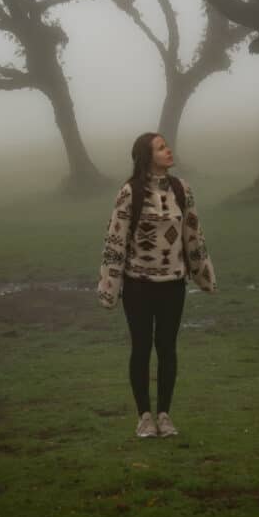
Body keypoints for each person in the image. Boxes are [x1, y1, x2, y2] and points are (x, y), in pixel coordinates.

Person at [98, 132, 216, 438]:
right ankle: (144, 417)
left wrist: (203, 275)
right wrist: (109, 287)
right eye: (161, 148)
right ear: (147, 156)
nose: (168, 151)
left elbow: (194, 234)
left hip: (173, 285)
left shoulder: (181, 189)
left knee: (167, 348)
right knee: (141, 348)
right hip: (138, 286)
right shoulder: (130, 192)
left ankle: (164, 415)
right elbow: (115, 240)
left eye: (166, 146)